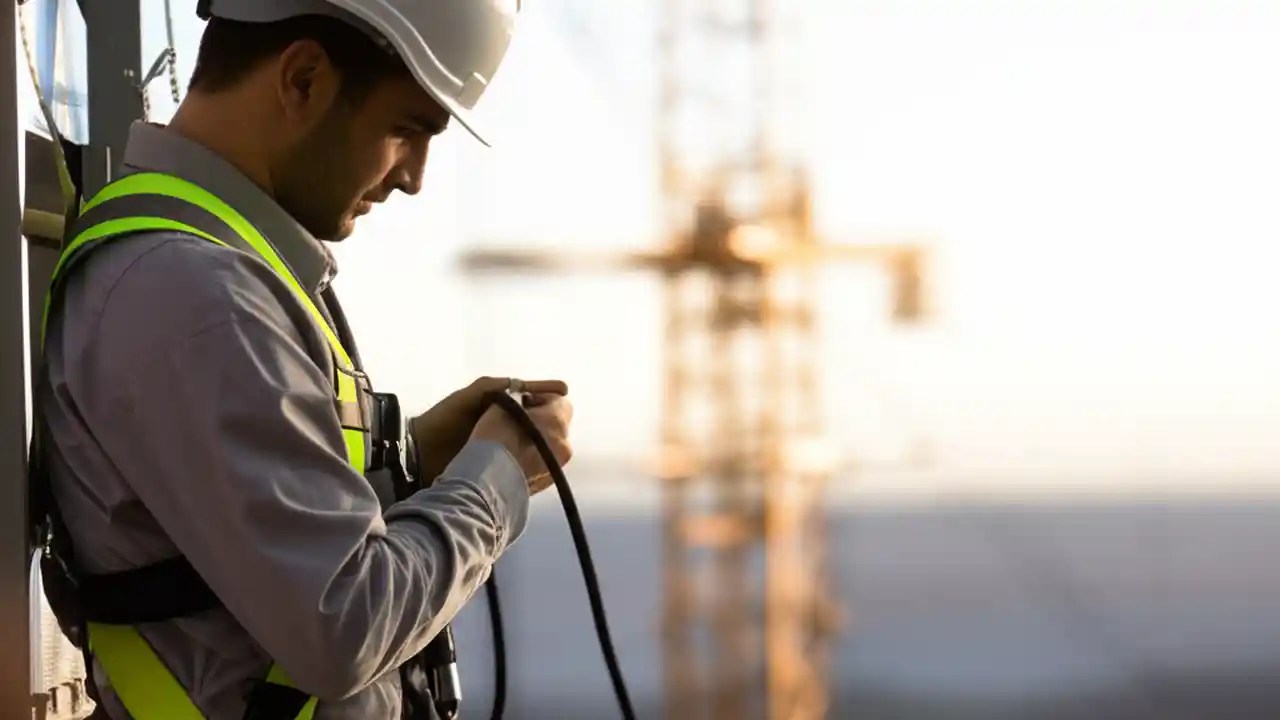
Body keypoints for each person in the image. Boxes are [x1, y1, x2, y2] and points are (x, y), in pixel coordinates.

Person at [32, 1, 572, 718]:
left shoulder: (216, 275)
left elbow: (248, 540)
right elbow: (342, 624)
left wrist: (410, 455)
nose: (414, 177)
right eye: (406, 129)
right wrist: (494, 480)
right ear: (304, 79)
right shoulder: (194, 293)